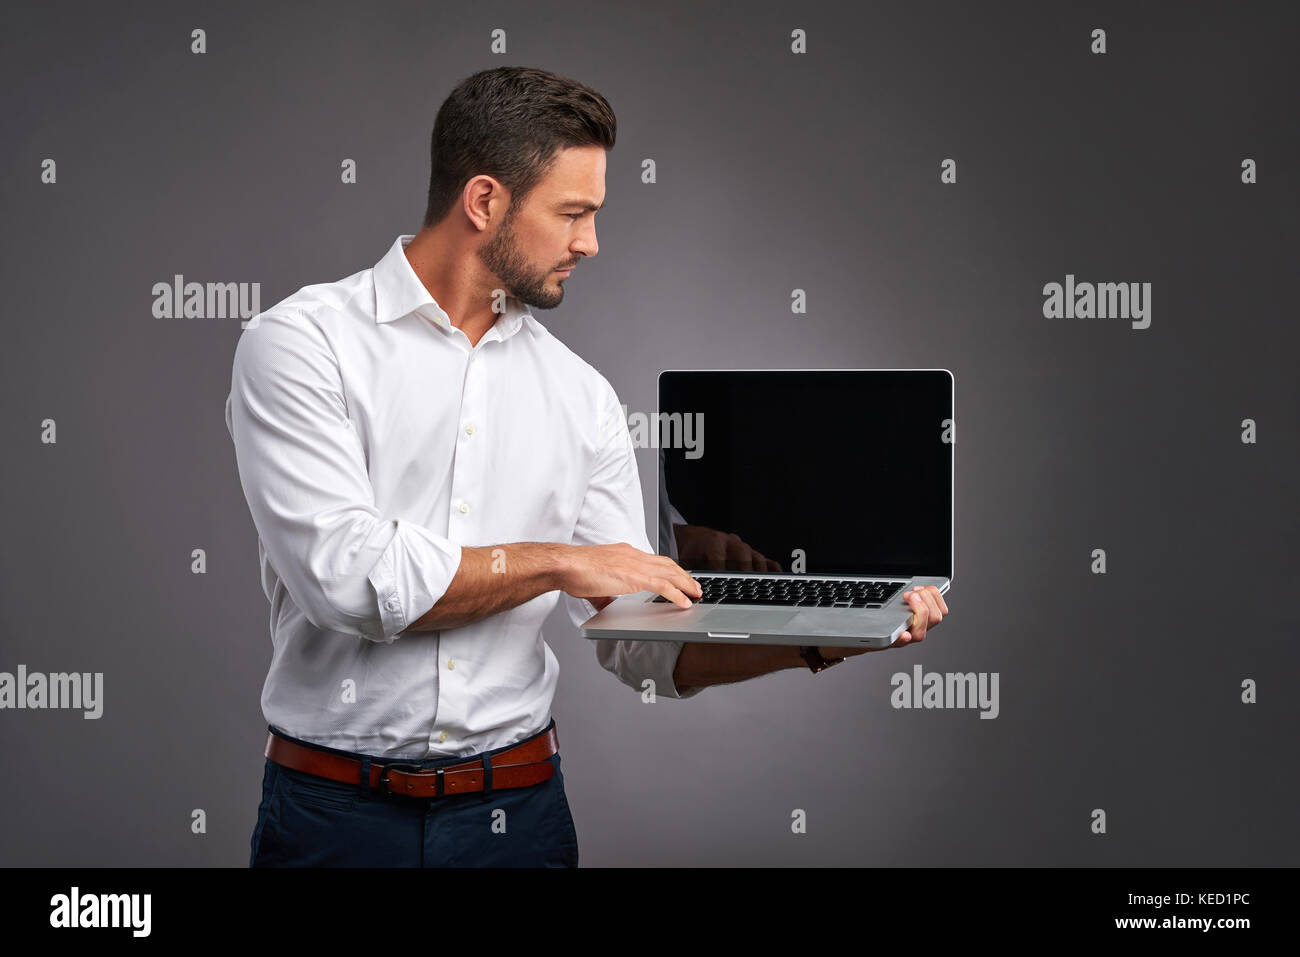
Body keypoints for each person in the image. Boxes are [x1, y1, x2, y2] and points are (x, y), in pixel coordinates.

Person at [225, 65, 948, 868]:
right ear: (485, 201)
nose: (590, 242)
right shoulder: (299, 345)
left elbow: (642, 645)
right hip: (332, 821)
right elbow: (348, 580)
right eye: (574, 212)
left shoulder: (581, 395)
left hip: (520, 818)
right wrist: (564, 560)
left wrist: (833, 633)